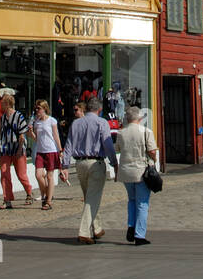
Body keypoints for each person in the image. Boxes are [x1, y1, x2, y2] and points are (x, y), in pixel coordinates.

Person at [66, 96, 118, 243]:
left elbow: (69, 145)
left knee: (90, 197)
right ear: (99, 110)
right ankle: (84, 232)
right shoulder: (102, 122)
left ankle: (97, 228)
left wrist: (64, 166)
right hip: (96, 163)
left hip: (80, 164)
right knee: (93, 198)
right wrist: (114, 162)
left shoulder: (76, 123)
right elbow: (108, 145)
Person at [118, 106, 157, 245]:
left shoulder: (121, 133)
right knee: (142, 203)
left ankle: (131, 226)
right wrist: (154, 159)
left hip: (126, 171)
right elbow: (152, 151)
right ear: (140, 118)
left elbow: (118, 148)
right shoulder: (146, 131)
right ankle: (139, 234)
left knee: (132, 200)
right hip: (140, 171)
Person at [0, 93, 33, 210]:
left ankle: (29, 192)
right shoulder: (2, 117)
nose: (1, 105)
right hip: (5, 148)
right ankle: (7, 199)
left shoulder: (18, 116)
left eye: (2, 103)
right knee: (4, 173)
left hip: (17, 148)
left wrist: (19, 150)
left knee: (21, 174)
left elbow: (22, 135)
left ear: (7, 104)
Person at [28, 99, 62, 210]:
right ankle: (47, 193)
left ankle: (48, 201)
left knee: (49, 176)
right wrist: (31, 133)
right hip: (40, 151)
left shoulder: (52, 121)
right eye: (36, 108)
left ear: (45, 109)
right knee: (38, 175)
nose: (37, 110)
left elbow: (56, 136)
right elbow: (36, 139)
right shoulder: (36, 122)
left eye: (39, 108)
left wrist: (60, 150)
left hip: (50, 150)